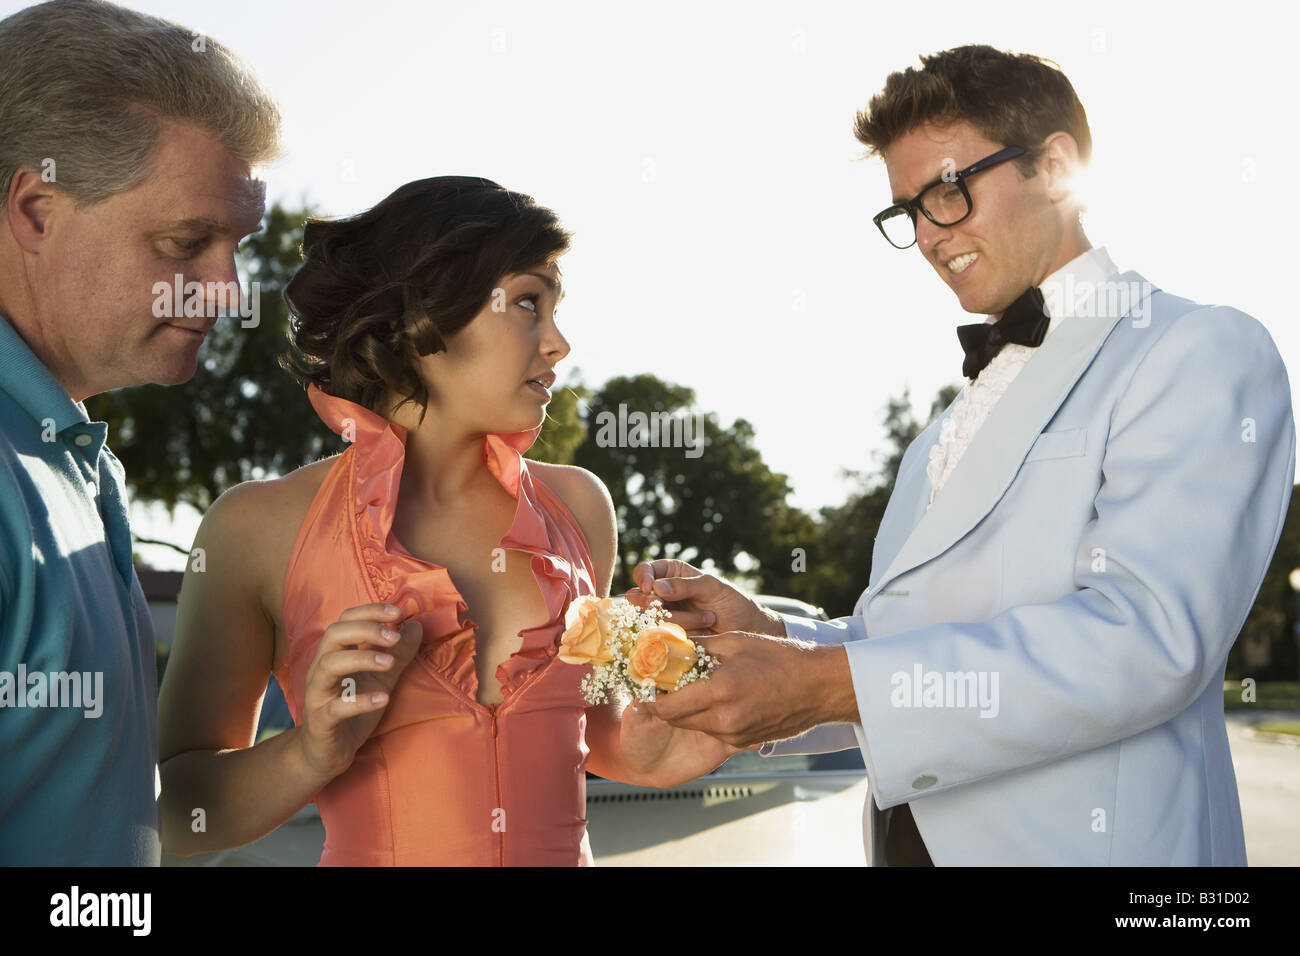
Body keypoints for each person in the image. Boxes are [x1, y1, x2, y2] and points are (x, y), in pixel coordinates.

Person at [630, 44, 1295, 866]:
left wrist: (823, 683)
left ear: (1056, 166)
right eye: (907, 209)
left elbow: (1148, 640)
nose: (930, 235)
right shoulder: (939, 434)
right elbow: (905, 639)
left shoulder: (1197, 348)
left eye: (948, 190)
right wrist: (775, 637)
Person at [157, 176, 740, 865]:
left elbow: (588, 735)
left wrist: (653, 747)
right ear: (423, 321)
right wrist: (308, 752)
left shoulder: (582, 508)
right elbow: (177, 816)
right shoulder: (255, 529)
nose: (559, 343)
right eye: (529, 303)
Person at [0, 0, 279, 865]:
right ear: (37, 208)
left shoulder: (72, 456)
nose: (228, 292)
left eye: (237, 245)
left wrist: (322, 748)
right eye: (187, 241)